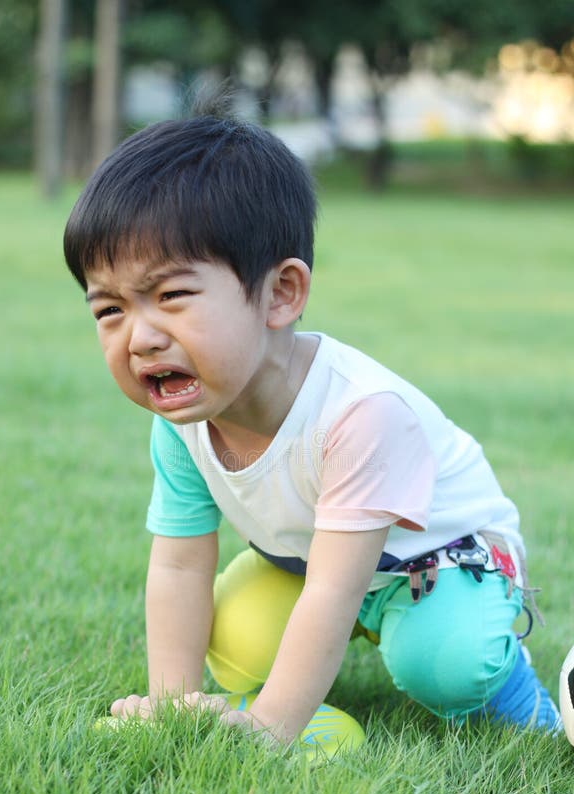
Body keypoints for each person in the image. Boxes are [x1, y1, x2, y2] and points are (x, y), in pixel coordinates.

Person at [63, 114, 561, 747]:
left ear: (281, 293)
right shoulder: (183, 420)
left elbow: (332, 590)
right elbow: (180, 567)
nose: (141, 336)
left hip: (438, 561)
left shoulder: (360, 414)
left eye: (172, 295)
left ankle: (519, 691)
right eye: (110, 309)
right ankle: (337, 645)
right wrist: (172, 707)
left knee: (445, 665)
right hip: (311, 562)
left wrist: (272, 727)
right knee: (237, 647)